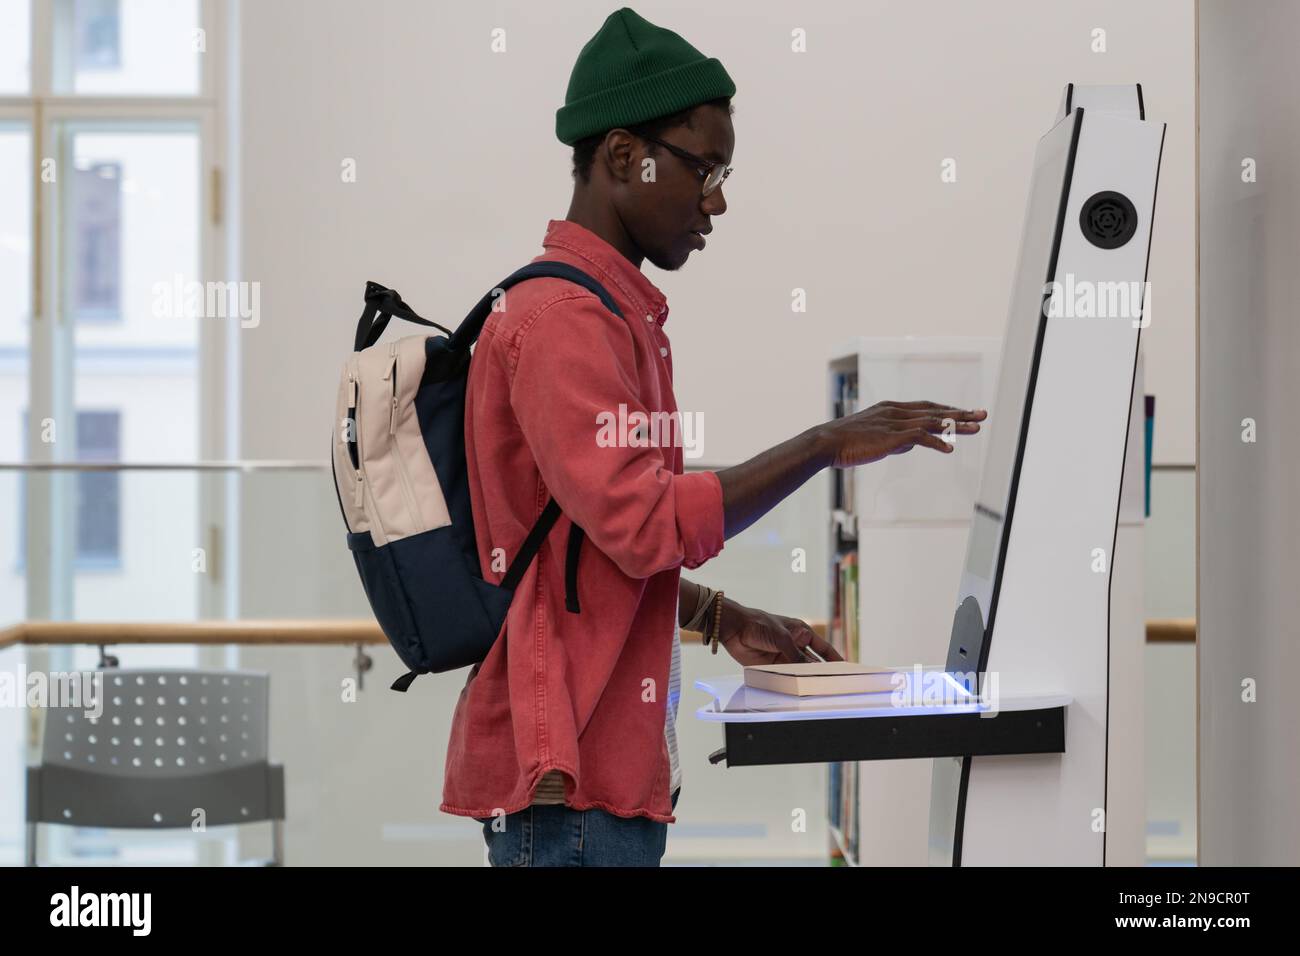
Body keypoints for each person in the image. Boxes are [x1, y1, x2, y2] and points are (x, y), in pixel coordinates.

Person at [441, 6, 986, 867]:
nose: (718, 200)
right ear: (625, 156)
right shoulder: (563, 323)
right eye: (704, 169)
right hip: (571, 793)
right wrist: (825, 444)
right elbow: (644, 523)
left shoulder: (607, 316)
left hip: (596, 787)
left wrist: (719, 615)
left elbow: (594, 546)